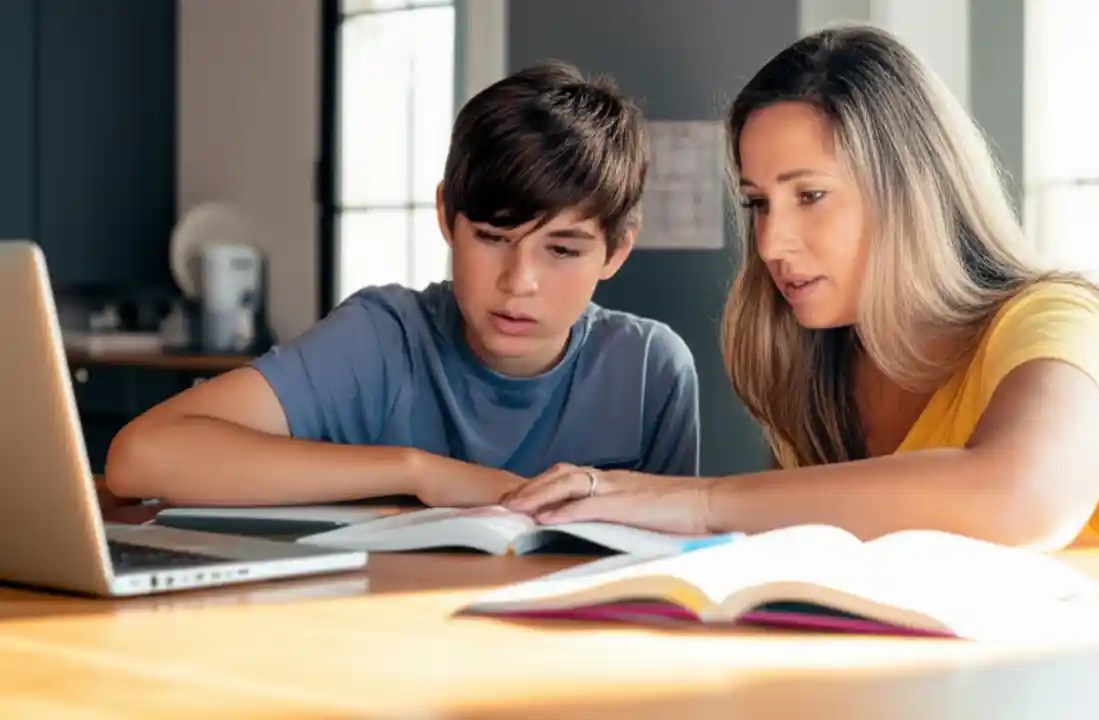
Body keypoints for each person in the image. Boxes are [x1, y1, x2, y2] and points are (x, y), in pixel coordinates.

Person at [503, 26, 1099, 549]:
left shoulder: (1061, 319)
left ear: (911, 189)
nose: (770, 243)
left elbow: (1021, 496)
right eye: (758, 203)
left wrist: (700, 502)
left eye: (810, 195)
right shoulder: (820, 359)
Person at [105, 62, 700, 507]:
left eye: (563, 250)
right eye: (492, 238)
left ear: (617, 249)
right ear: (446, 217)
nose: (520, 283)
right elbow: (140, 457)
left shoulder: (649, 370)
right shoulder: (382, 338)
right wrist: (420, 471)